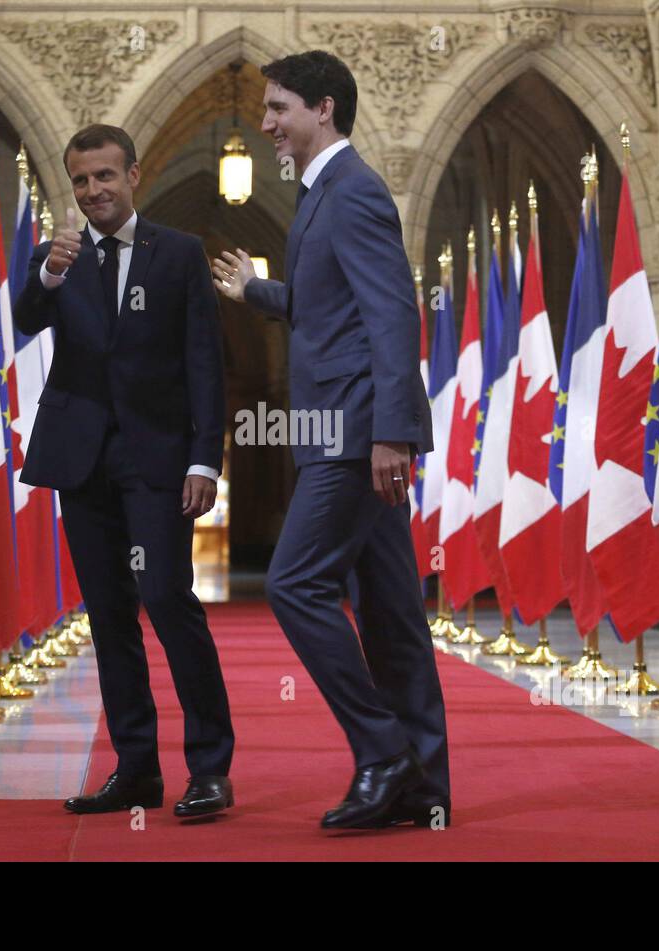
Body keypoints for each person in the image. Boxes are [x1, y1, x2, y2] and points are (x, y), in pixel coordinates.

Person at [211, 51, 450, 830]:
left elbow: (392, 317)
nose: (268, 124)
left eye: (278, 109)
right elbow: (332, 310)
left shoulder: (352, 193)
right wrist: (259, 292)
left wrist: (391, 435)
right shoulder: (324, 195)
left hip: (353, 436)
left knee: (292, 583)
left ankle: (383, 755)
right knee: (388, 611)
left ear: (323, 108)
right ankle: (424, 783)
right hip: (344, 429)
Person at [14, 124, 235, 819]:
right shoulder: (61, 257)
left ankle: (210, 768)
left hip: (158, 461)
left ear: (134, 176)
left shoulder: (179, 255)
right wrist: (49, 271)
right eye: (81, 181)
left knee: (167, 599)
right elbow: (24, 319)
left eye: (105, 177)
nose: (93, 191)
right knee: (109, 616)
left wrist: (206, 457)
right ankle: (136, 767)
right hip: (81, 460)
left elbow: (205, 361)